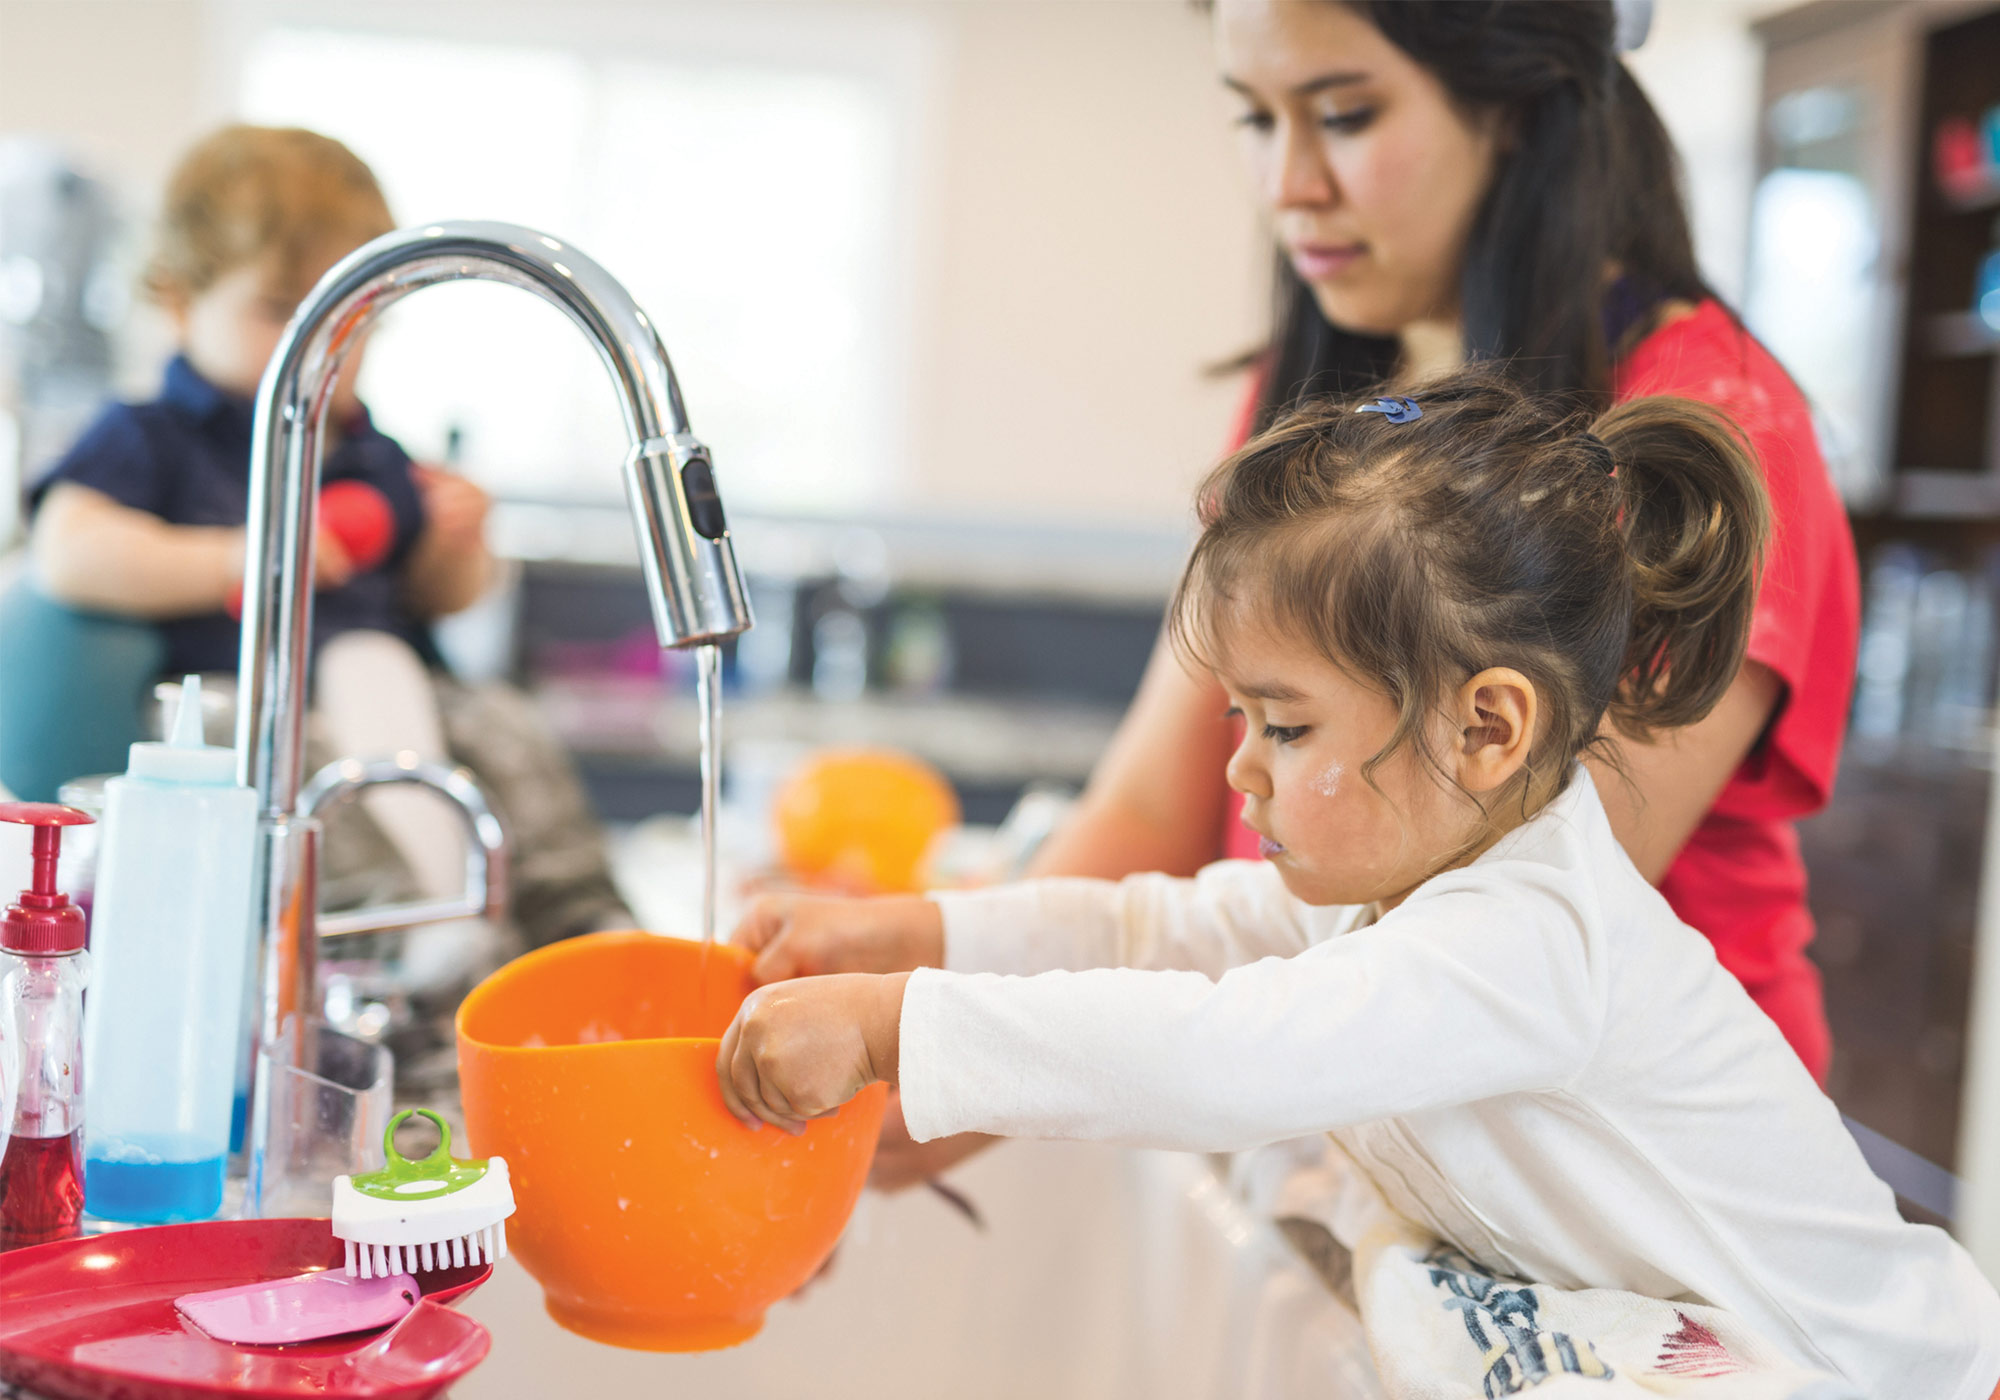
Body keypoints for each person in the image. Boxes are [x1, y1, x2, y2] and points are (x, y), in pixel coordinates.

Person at [717, 376, 1997, 1397]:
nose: (1239, 768)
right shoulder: (1402, 873)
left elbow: (1225, 1054)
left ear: (1484, 729)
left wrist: (899, 1020)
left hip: (1882, 1372)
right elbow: (1162, 930)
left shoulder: (1528, 932)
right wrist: (918, 929)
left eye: (1281, 727)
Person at [27, 124, 633, 963]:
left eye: (350, 318)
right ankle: (405, 936)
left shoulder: (368, 449)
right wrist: (242, 559)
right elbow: (68, 547)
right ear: (177, 300)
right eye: (282, 311)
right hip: (251, 704)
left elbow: (440, 591)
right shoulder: (153, 437)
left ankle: (582, 928)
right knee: (316, 793)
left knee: (507, 730)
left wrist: (457, 545)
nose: (321, 345)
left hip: (405, 689)